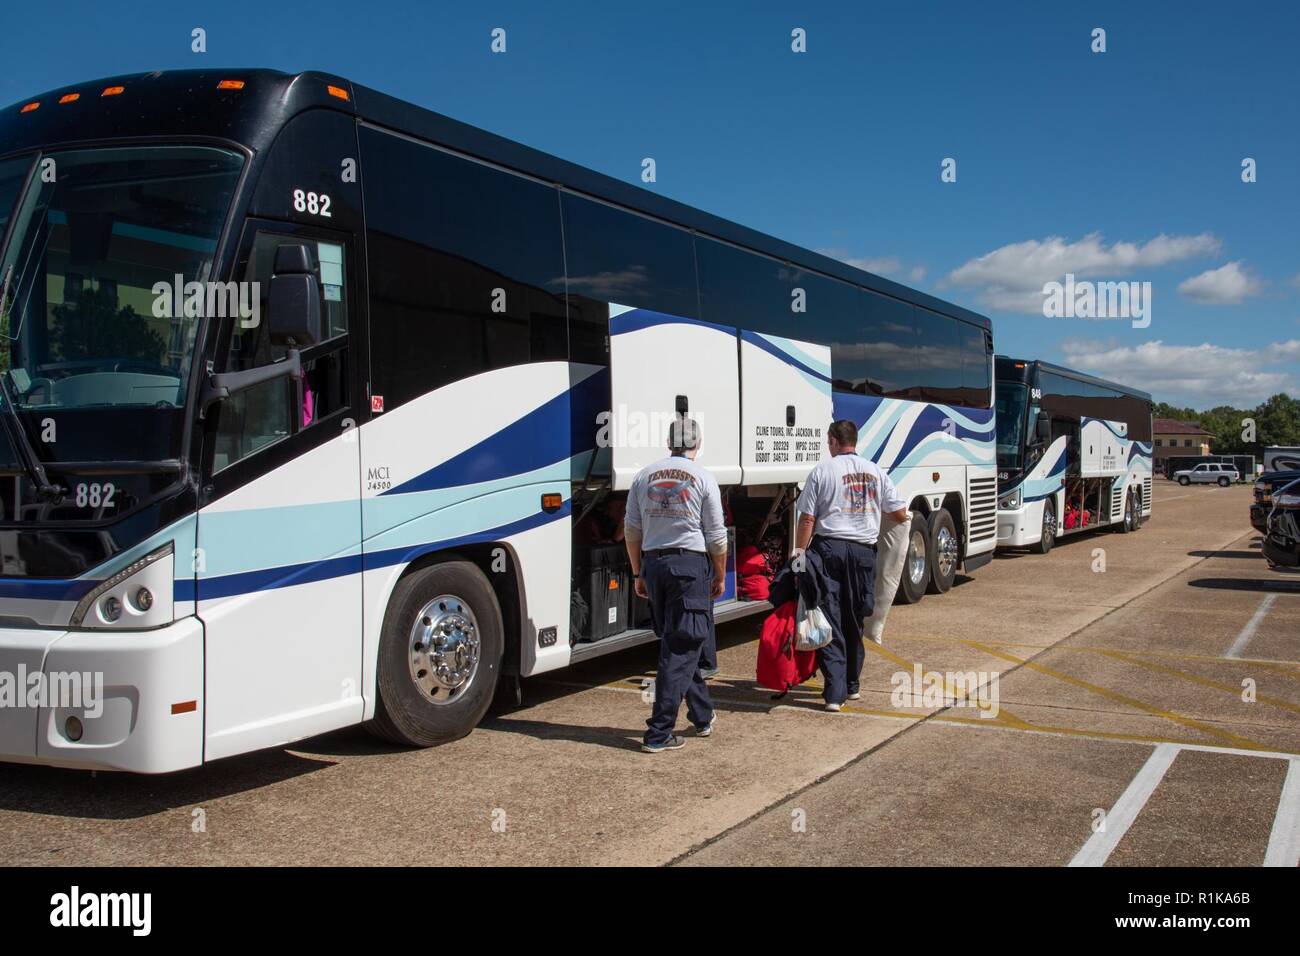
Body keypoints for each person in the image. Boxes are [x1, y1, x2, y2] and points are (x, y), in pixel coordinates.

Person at [624, 418, 728, 753]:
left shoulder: (644, 475)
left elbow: (631, 529)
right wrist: (720, 573)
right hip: (689, 566)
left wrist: (638, 571)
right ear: (697, 444)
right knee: (682, 646)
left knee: (680, 640)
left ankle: (702, 714)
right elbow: (716, 536)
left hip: (654, 564)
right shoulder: (703, 477)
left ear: (669, 442)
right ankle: (659, 732)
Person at [794, 420, 908, 711]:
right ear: (854, 441)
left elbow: (807, 518)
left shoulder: (822, 471)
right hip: (862, 553)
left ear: (833, 440)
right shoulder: (875, 471)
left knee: (829, 616)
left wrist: (798, 553)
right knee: (855, 617)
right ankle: (853, 684)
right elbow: (898, 512)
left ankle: (835, 693)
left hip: (829, 550)